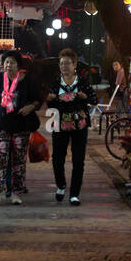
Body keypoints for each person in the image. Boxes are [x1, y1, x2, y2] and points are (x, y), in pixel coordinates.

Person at [0, 52, 43, 205]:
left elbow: (38, 100)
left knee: (18, 162)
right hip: (0, 125)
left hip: (20, 127)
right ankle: (0, 191)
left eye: (12, 63)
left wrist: (31, 106)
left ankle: (16, 193)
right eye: (6, 63)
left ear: (18, 65)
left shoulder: (27, 81)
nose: (8, 66)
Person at [47, 48, 92, 205]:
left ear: (75, 65)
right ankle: (61, 185)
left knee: (78, 159)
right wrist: (51, 98)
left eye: (67, 63)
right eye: (61, 63)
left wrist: (84, 97)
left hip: (79, 124)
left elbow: (93, 100)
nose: (64, 66)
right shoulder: (55, 82)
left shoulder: (83, 82)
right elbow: (48, 101)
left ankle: (74, 193)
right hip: (59, 123)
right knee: (57, 158)